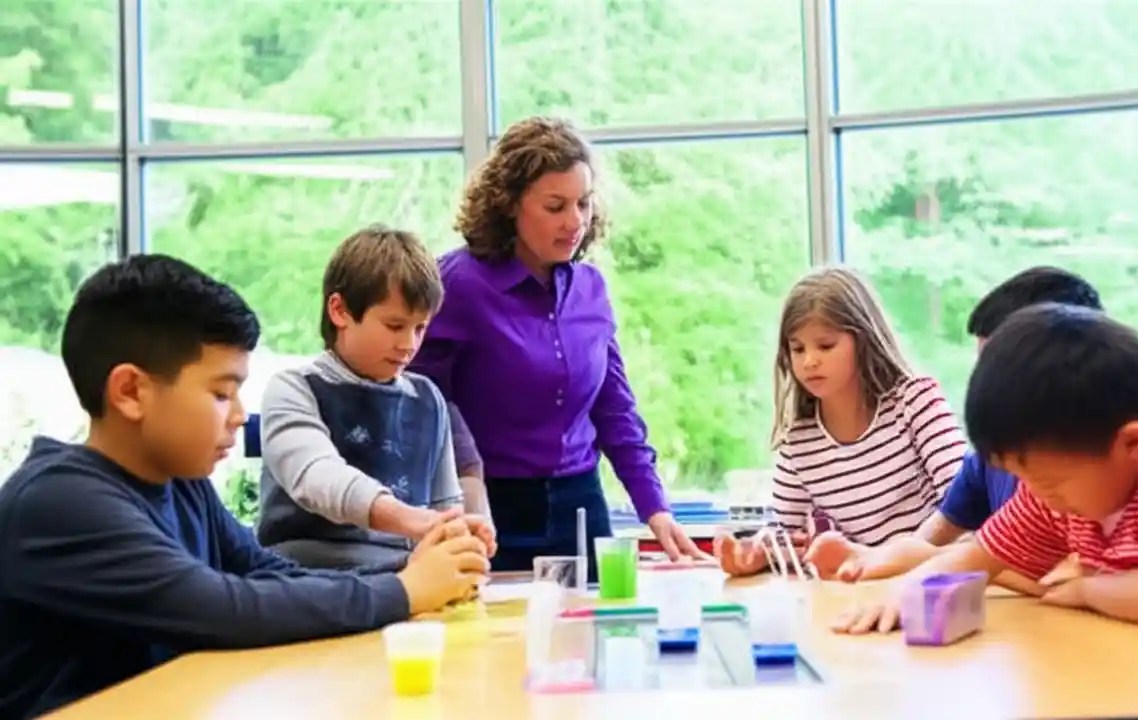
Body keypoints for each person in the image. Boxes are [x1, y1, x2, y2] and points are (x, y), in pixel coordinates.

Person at [0, 255, 491, 719]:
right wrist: (404, 591)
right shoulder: (59, 502)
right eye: (220, 393)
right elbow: (218, 607)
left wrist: (412, 586)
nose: (238, 417)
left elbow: (263, 571)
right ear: (130, 392)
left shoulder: (180, 483)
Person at [832, 304, 1138, 665]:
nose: (1042, 498)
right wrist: (902, 594)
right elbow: (974, 557)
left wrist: (1087, 588)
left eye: (1052, 484)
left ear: (1132, 444)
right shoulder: (1063, 488)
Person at [408, 116, 702, 575]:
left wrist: (655, 510)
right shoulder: (456, 285)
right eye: (555, 206)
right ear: (509, 205)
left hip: (580, 506)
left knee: (587, 639)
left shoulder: (590, 288)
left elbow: (615, 411)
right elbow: (424, 403)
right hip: (487, 511)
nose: (575, 222)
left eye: (583, 204)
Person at [806, 267, 1104, 588]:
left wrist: (925, 559)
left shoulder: (1080, 466)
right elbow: (932, 542)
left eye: (997, 365)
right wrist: (869, 557)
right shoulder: (989, 458)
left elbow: (1055, 579)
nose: (985, 381)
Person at [257, 226, 495, 569]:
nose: (409, 345)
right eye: (394, 326)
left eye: (420, 328)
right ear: (339, 311)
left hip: (406, 576)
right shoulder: (294, 388)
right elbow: (318, 478)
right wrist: (413, 520)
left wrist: (461, 535)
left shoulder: (428, 398)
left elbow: (445, 506)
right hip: (309, 579)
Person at [715, 266, 967, 577]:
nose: (810, 361)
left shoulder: (915, 403)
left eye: (825, 345)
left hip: (937, 578)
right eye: (797, 348)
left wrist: (898, 558)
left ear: (863, 341)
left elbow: (966, 502)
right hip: (867, 586)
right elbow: (785, 532)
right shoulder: (800, 440)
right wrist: (756, 555)